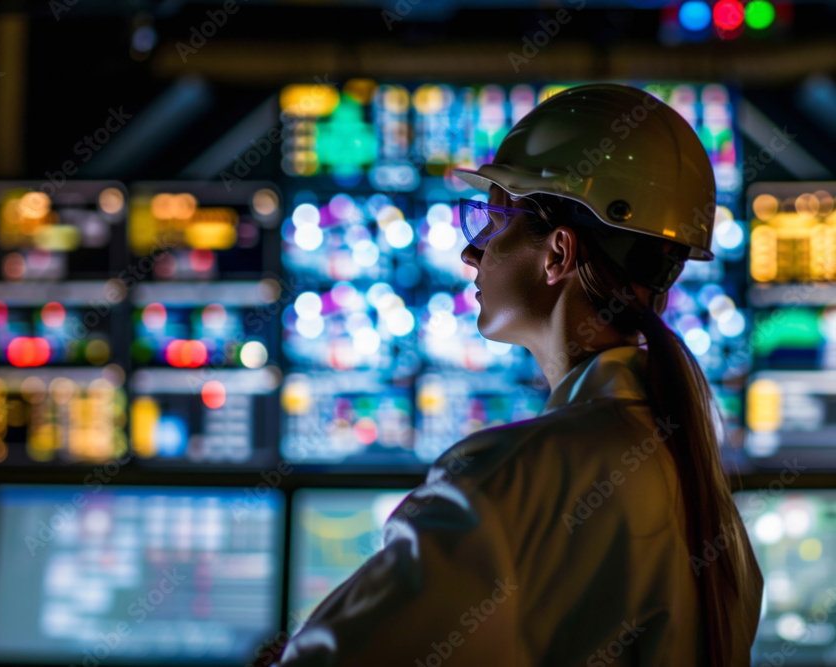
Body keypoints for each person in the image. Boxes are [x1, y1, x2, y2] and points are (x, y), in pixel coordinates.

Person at [273, 83, 764, 667]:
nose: (471, 253)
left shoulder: (506, 480)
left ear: (558, 253)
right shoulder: (715, 513)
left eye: (491, 218)